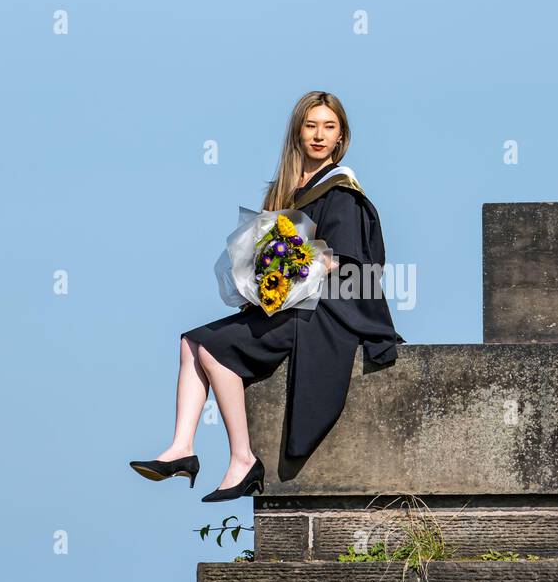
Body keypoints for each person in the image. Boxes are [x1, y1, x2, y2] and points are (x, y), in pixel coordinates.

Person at [129, 90, 402, 502]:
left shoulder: (342, 193)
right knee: (191, 341)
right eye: (311, 126)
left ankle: (243, 460)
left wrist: (292, 268)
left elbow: (343, 263)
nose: (318, 135)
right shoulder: (286, 191)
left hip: (325, 312)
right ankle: (182, 449)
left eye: (329, 127)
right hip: (290, 303)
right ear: (298, 132)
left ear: (341, 137)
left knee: (214, 351)